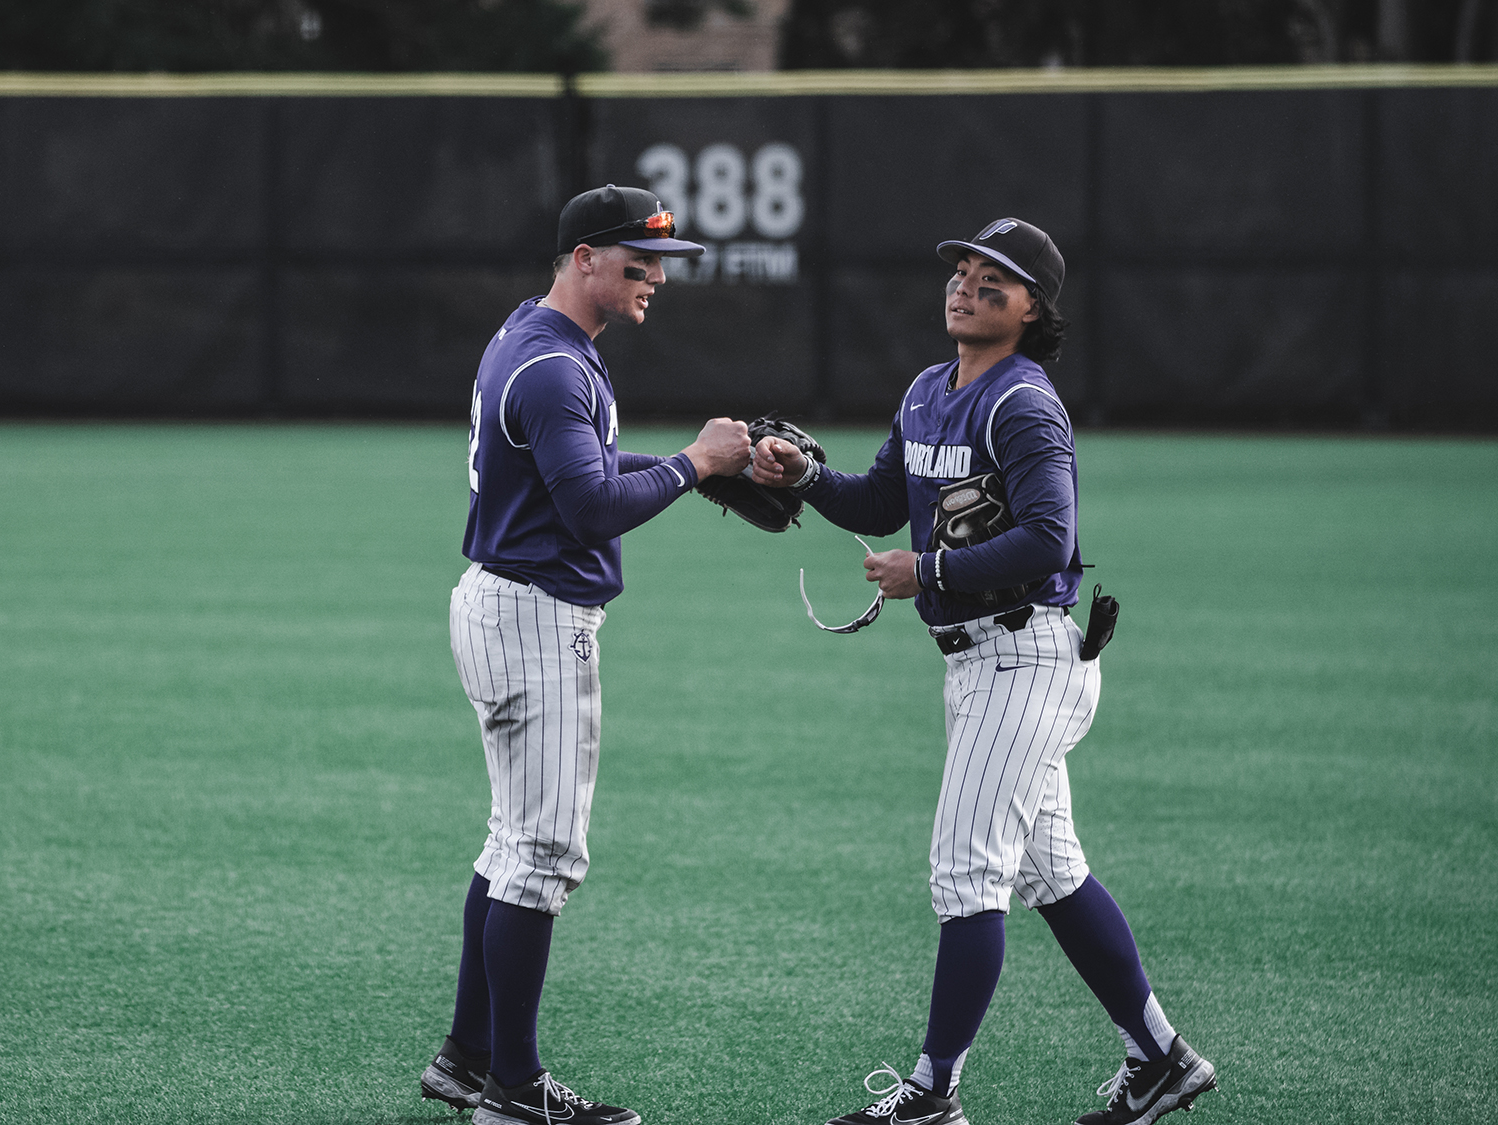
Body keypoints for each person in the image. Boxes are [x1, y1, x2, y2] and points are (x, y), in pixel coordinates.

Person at [751, 218, 1217, 1125]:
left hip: (1024, 657)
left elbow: (1051, 537)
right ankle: (1162, 1057)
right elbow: (885, 497)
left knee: (968, 875)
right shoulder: (930, 390)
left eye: (992, 279)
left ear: (1032, 307)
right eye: (962, 272)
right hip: (982, 664)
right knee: (1053, 875)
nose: (965, 287)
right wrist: (804, 474)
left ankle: (931, 1094)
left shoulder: (1024, 401)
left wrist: (923, 570)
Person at [418, 185, 753, 1125]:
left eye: (662, 261)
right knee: (543, 852)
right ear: (581, 260)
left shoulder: (529, 336)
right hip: (533, 617)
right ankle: (514, 1091)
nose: (655, 277)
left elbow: (586, 471)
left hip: (500, 600)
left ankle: (467, 1057)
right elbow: (595, 508)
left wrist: (703, 469)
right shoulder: (557, 368)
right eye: (637, 261)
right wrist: (694, 463)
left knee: (511, 840)